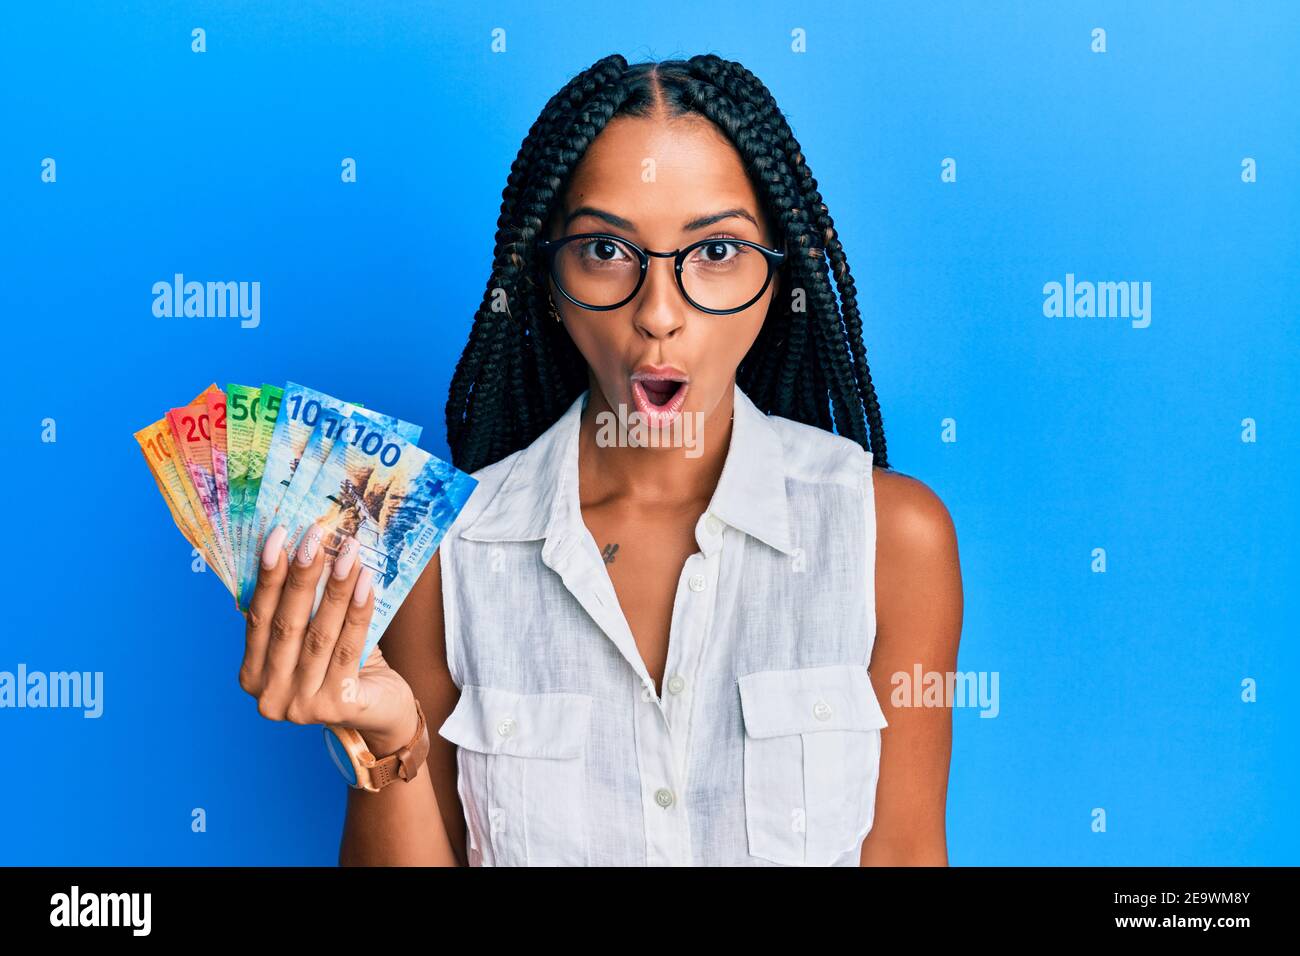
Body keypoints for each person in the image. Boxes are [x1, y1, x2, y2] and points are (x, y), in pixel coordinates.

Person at [239, 53, 962, 866]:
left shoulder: (891, 539)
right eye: (607, 252)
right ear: (548, 280)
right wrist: (380, 748)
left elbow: (905, 849)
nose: (660, 315)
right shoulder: (447, 557)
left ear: (776, 273)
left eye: (717, 252)